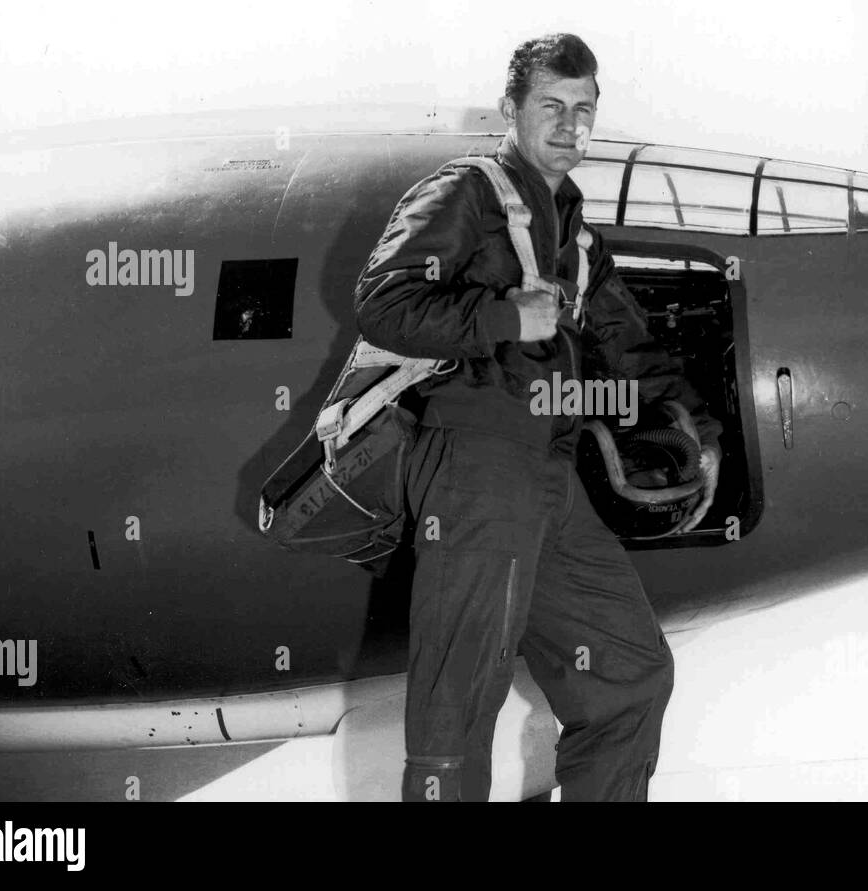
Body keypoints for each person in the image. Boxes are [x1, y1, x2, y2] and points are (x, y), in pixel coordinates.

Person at [353, 32, 722, 802]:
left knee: (629, 671)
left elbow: (633, 349)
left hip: (548, 478)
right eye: (551, 106)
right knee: (458, 705)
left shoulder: (575, 234)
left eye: (583, 109)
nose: (569, 125)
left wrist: (700, 432)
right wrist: (501, 319)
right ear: (511, 110)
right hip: (473, 464)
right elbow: (383, 303)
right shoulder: (467, 192)